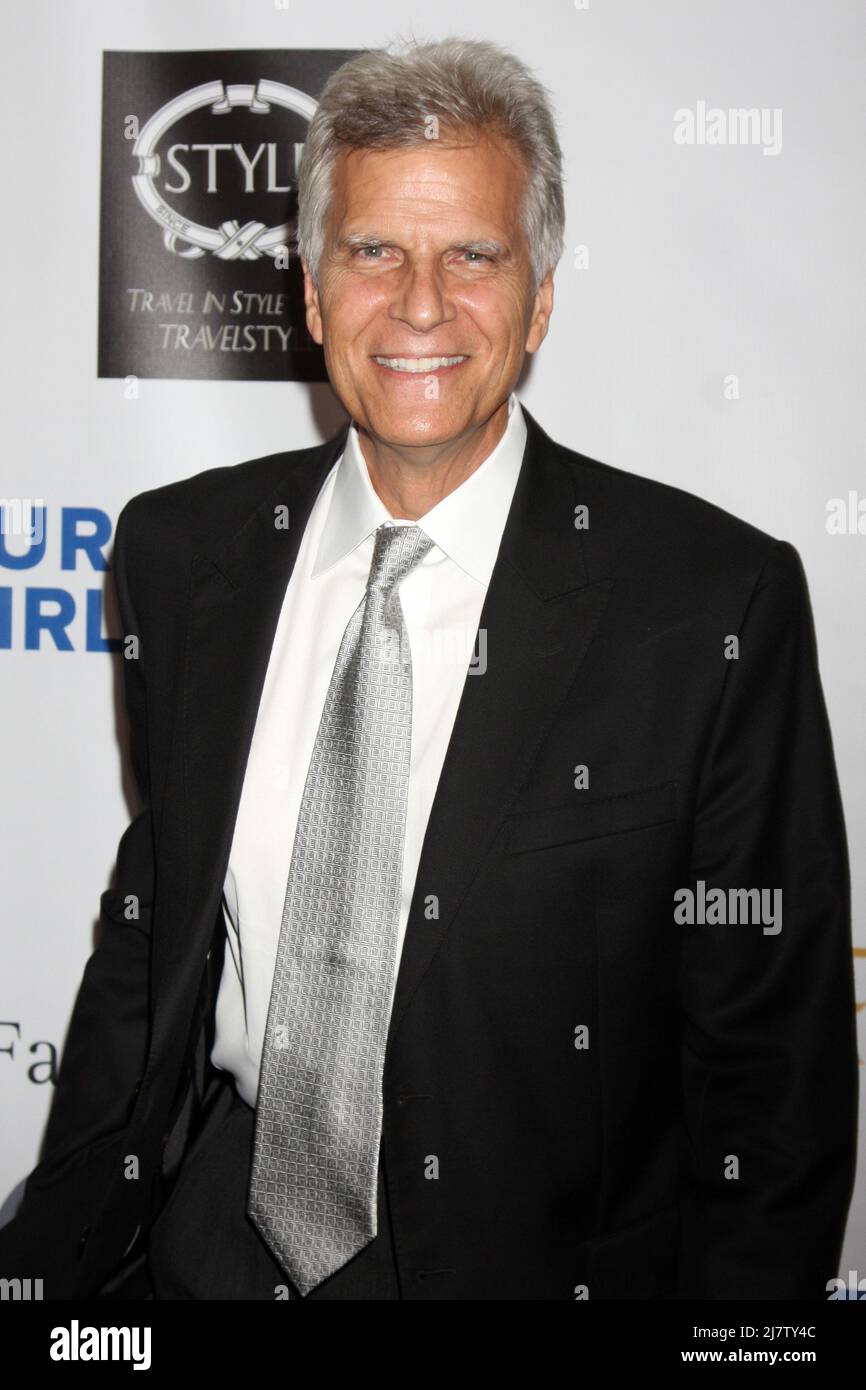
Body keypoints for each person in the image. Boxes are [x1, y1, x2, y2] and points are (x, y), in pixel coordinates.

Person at [0, 36, 857, 1301]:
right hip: (212, 1254)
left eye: (471, 254)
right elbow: (152, 946)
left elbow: (769, 1076)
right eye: (372, 252)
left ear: (540, 295)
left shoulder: (708, 602)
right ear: (308, 288)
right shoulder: (186, 556)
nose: (417, 305)